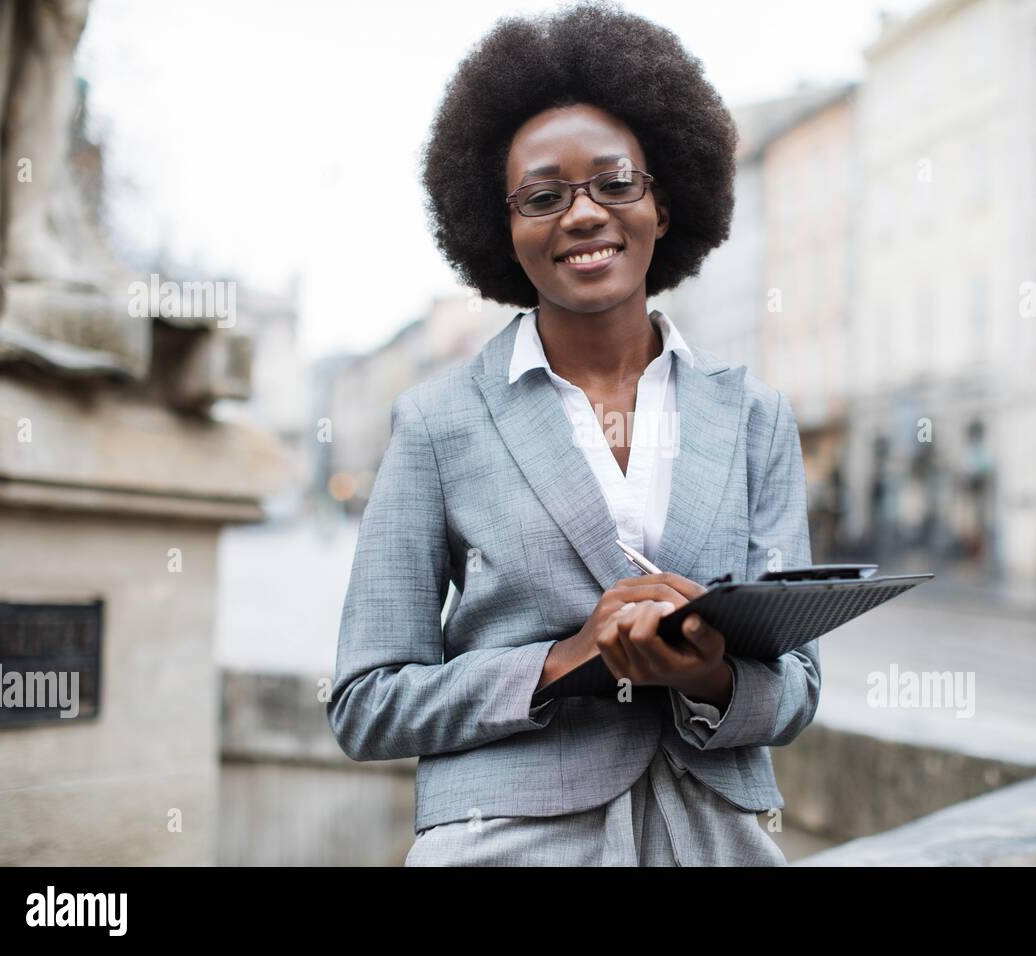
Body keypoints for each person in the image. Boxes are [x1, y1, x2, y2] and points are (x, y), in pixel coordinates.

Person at [326, 0, 820, 866]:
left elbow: (801, 689)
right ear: (503, 231)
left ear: (662, 203)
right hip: (503, 842)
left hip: (715, 837)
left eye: (615, 183)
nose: (583, 214)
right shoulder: (438, 422)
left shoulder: (754, 418)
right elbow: (366, 704)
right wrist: (565, 661)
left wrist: (705, 674)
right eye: (543, 196)